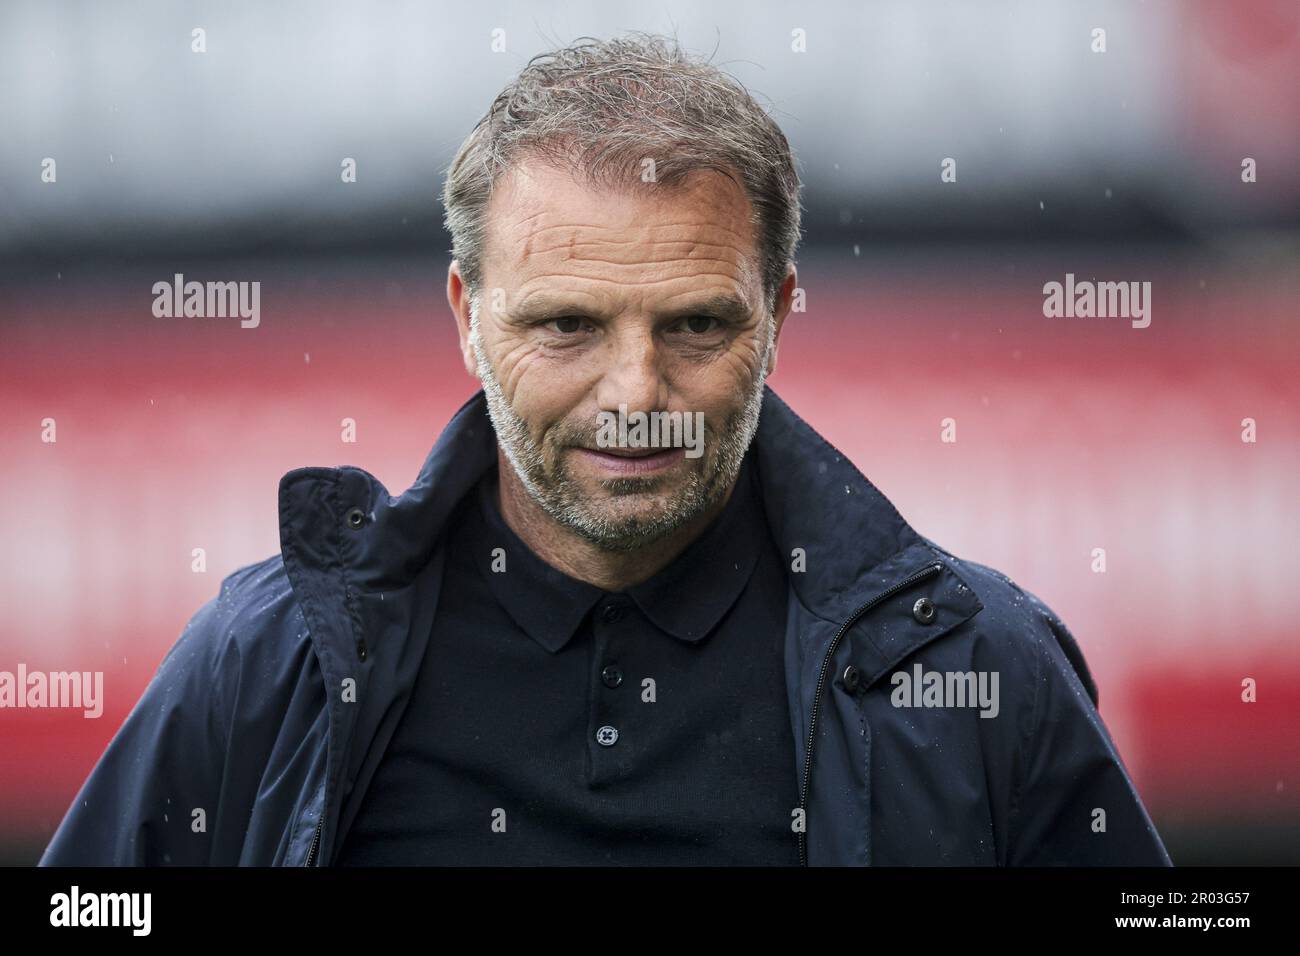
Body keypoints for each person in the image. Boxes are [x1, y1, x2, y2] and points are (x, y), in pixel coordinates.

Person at [40, 32, 1170, 867]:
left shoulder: (981, 676)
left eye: (694, 325)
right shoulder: (267, 659)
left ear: (778, 311)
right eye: (567, 325)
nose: (635, 394)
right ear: (465, 317)